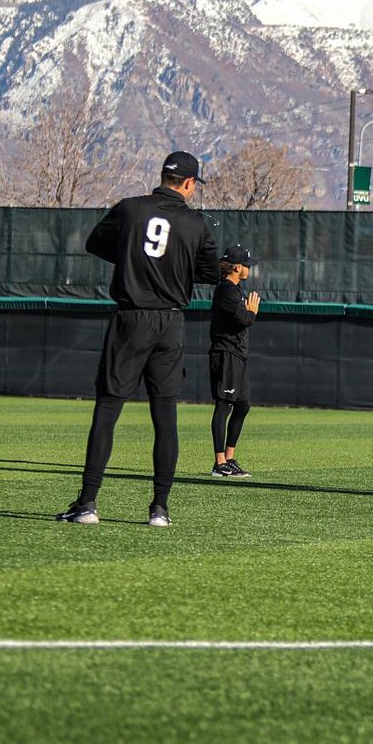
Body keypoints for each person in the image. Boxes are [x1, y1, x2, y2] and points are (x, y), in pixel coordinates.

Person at [57, 151, 221, 527]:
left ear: (163, 176)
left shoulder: (130, 209)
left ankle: (88, 504)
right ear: (189, 184)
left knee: (108, 410)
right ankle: (159, 509)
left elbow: (95, 244)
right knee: (165, 418)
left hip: (130, 319)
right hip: (169, 322)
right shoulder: (195, 223)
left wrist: (135, 258)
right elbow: (211, 273)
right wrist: (174, 267)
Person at [208, 244, 260, 479]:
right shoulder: (227, 290)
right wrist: (251, 313)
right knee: (224, 405)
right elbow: (244, 318)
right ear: (237, 267)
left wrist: (248, 313)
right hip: (225, 353)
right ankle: (219, 463)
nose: (249, 268)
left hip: (237, 355)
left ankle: (229, 458)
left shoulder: (236, 290)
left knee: (242, 405)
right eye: (247, 265)